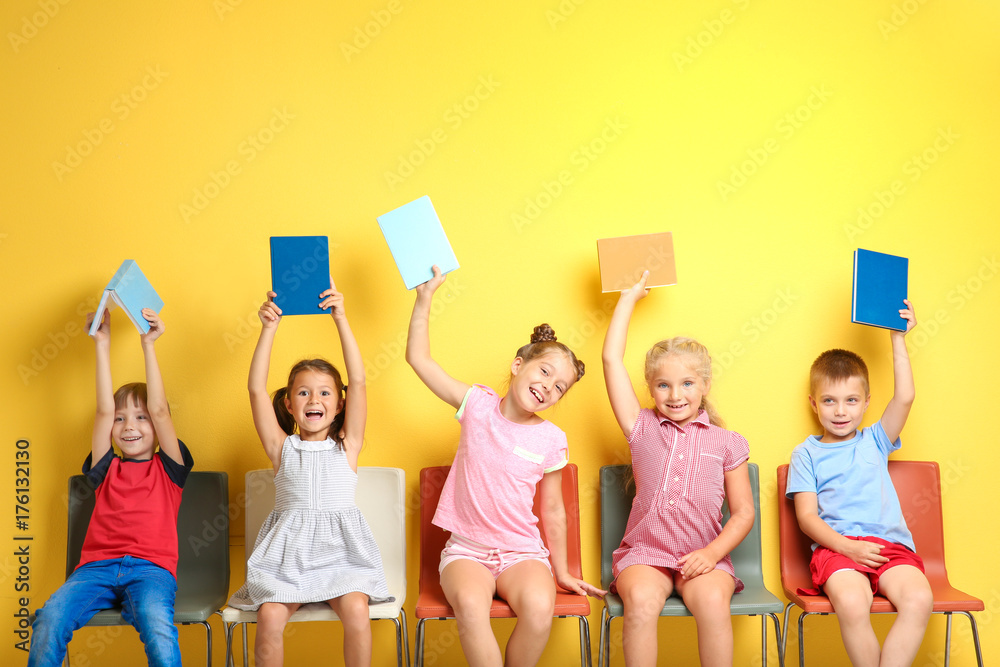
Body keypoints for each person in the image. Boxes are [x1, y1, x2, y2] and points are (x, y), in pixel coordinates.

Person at [405, 266, 605, 667]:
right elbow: (419, 359)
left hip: (522, 552)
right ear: (518, 366)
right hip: (466, 551)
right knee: (472, 609)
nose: (548, 386)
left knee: (539, 607)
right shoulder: (476, 406)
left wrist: (562, 570)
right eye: (544, 371)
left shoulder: (552, 439)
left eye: (559, 386)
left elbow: (552, 510)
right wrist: (424, 298)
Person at [227, 282, 392, 667]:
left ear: (340, 405)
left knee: (356, 612)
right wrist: (268, 329)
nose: (314, 400)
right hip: (287, 559)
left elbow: (362, 382)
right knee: (268, 615)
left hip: (342, 556)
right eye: (303, 393)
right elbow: (254, 389)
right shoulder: (281, 447)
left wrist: (341, 318)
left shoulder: (348, 444)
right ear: (288, 403)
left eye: (324, 393)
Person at [602, 271, 754, 667]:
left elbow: (743, 513)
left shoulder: (727, 441)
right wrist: (628, 299)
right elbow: (610, 359)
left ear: (704, 385)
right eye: (664, 385)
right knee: (640, 604)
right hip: (646, 554)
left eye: (687, 383)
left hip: (703, 554)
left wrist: (712, 553)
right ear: (650, 389)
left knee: (712, 605)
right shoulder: (641, 427)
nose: (675, 395)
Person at [29, 309, 193, 667]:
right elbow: (103, 411)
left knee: (159, 628)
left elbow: (161, 410)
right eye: (121, 419)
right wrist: (100, 343)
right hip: (95, 570)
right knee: (48, 619)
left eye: (140, 417)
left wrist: (148, 343)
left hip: (151, 570)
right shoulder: (106, 468)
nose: (128, 426)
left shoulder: (170, 469)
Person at [786, 299, 931, 667]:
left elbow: (906, 397)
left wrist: (898, 338)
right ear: (814, 404)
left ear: (866, 402)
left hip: (889, 549)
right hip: (837, 551)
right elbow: (807, 519)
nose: (840, 410)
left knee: (918, 599)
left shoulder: (875, 440)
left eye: (851, 400)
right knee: (852, 602)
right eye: (830, 401)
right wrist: (848, 549)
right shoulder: (806, 453)